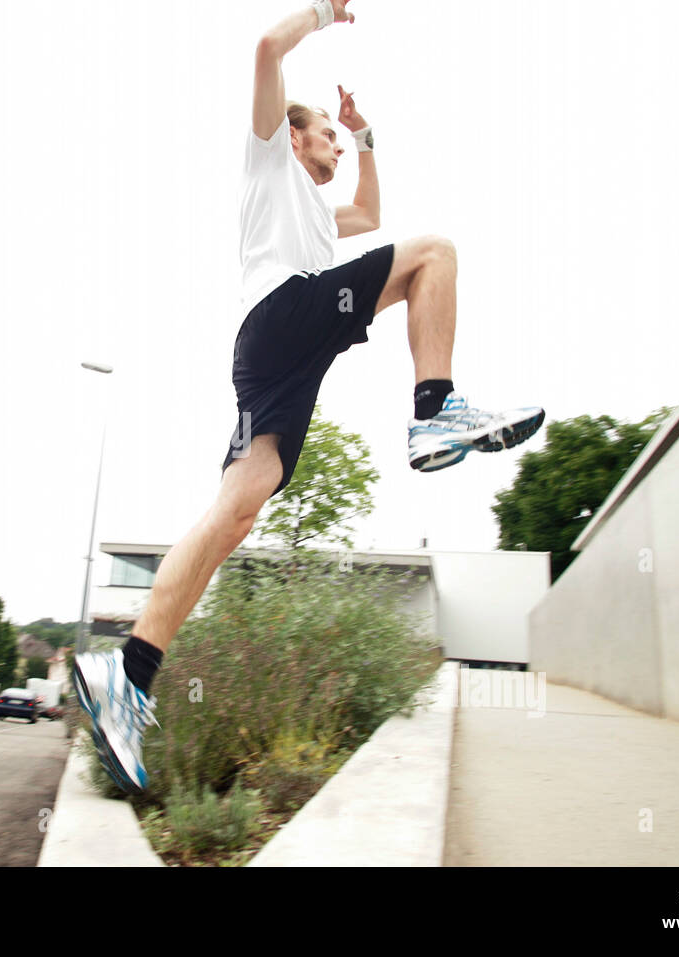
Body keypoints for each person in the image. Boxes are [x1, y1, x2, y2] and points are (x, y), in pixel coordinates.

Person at [74, 0, 544, 793]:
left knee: (236, 511)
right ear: (292, 136)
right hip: (287, 314)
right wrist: (324, 11)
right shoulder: (268, 160)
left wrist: (365, 139)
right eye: (324, 132)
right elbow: (264, 45)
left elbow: (371, 213)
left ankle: (129, 674)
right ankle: (436, 412)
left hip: (271, 360)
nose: (329, 141)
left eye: (334, 135)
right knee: (436, 253)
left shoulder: (319, 218)